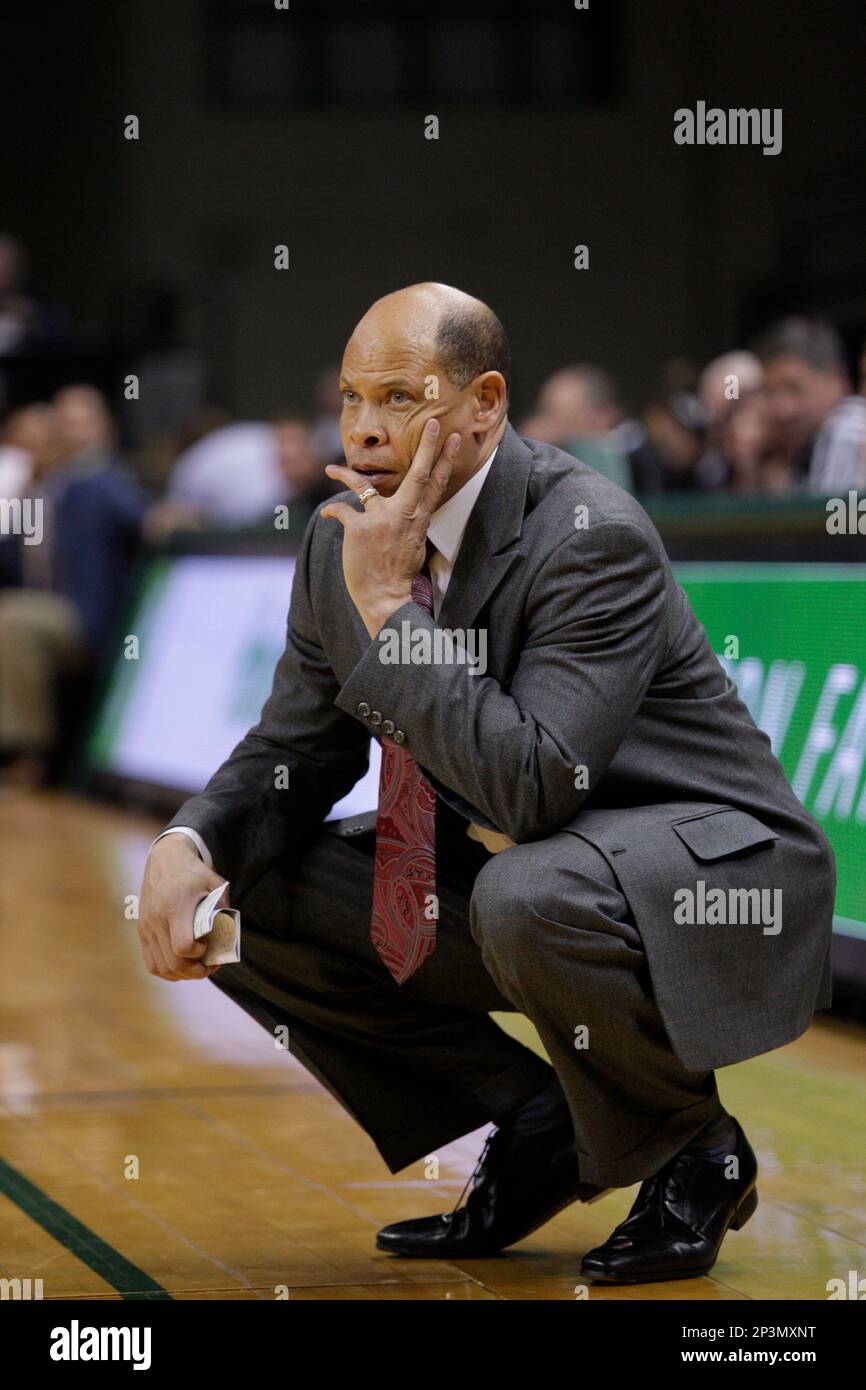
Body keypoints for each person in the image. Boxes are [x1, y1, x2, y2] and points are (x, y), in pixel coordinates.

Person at [139, 282, 834, 1285]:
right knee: (246, 888)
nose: (366, 432)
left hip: (709, 864)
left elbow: (533, 787)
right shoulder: (341, 538)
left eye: (399, 398)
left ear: (484, 403)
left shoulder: (588, 534)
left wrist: (387, 608)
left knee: (527, 891)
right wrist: (189, 844)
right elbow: (293, 753)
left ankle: (692, 1147)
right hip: (539, 871)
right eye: (349, 400)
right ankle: (539, 1117)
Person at [755, 316, 866, 493]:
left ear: (836, 380)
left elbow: (838, 520)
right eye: (771, 393)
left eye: (793, 389)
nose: (782, 410)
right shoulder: (800, 448)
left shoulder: (847, 431)